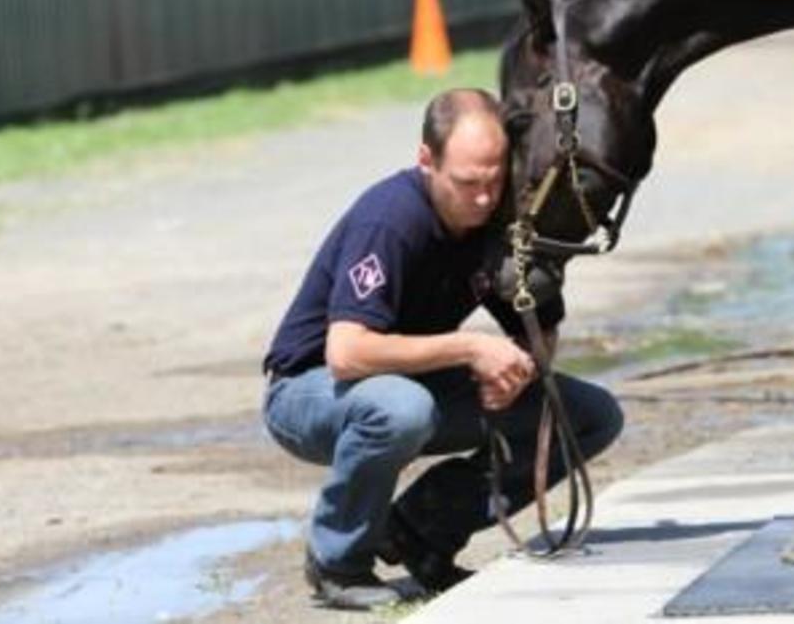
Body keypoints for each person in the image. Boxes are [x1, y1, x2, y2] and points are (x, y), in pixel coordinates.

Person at [262, 88, 623, 610]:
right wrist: (472, 349)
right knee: (402, 409)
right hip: (310, 390)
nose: (482, 198)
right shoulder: (388, 220)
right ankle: (337, 562)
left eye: (494, 180)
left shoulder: (498, 217)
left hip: (412, 385)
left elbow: (538, 330)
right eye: (467, 183)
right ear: (426, 160)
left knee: (587, 415)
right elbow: (347, 352)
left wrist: (519, 369)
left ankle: (419, 530)